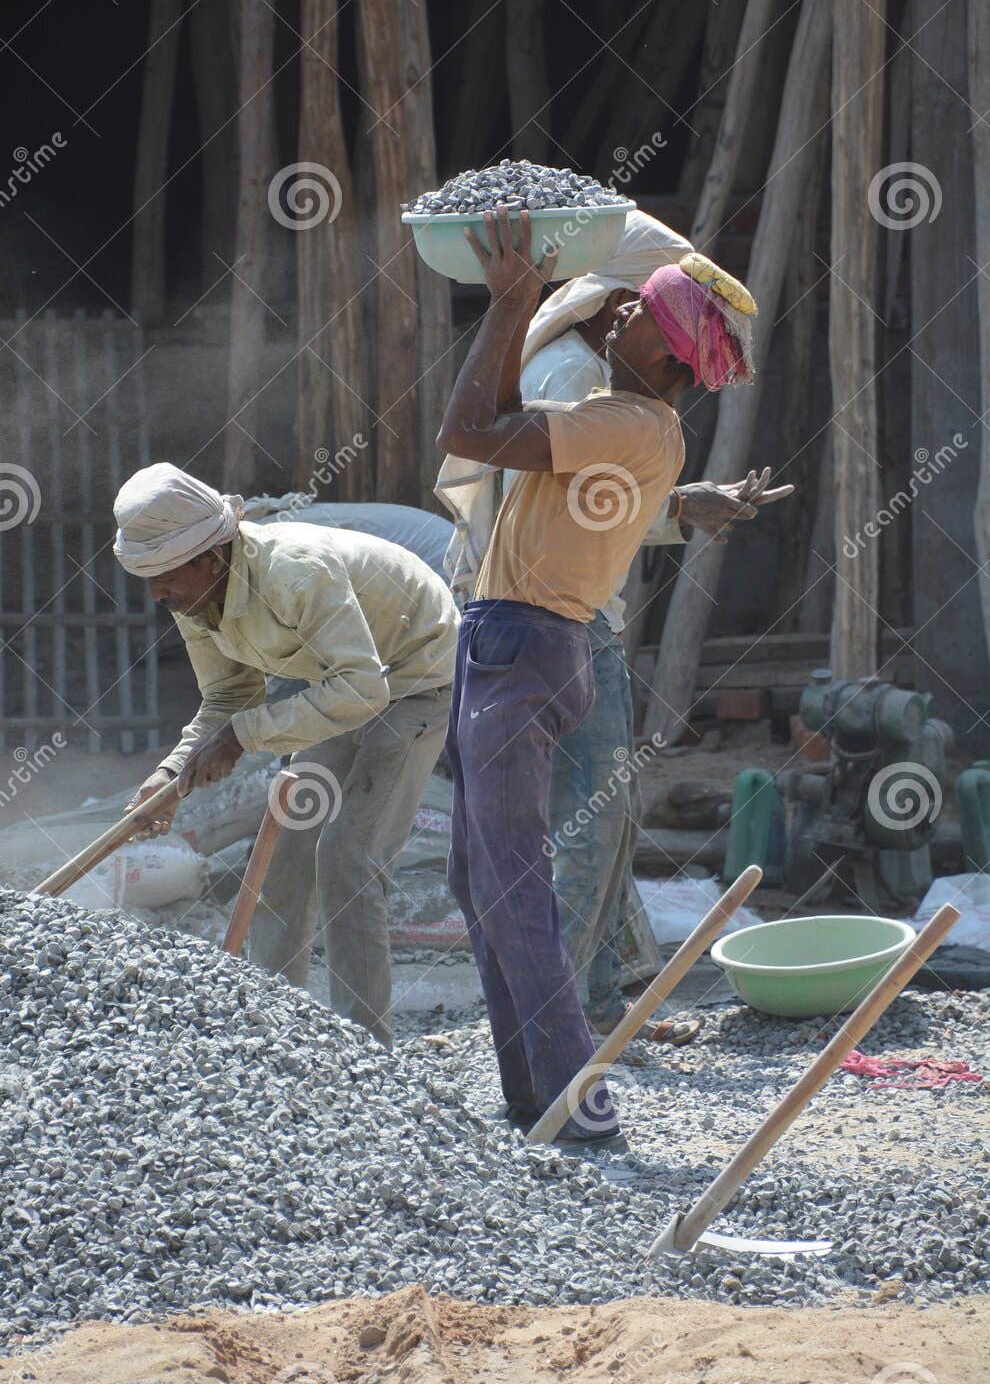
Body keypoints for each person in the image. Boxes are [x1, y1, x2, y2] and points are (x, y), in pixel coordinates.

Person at [436, 206, 759, 1153]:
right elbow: (494, 432)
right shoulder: (636, 427)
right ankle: (526, 1095)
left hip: (525, 649)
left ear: (666, 355)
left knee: (516, 885)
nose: (612, 319)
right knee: (475, 878)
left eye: (635, 319)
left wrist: (509, 304)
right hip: (514, 644)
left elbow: (469, 426)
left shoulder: (623, 419)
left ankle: (581, 1114)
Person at [113, 462, 459, 1048]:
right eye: (145, 577)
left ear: (210, 557)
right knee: (284, 849)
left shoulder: (296, 572)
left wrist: (245, 736)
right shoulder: (197, 601)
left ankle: (364, 1051)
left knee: (350, 857)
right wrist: (170, 774)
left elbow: (364, 692)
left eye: (164, 575)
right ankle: (280, 1032)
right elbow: (227, 697)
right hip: (341, 679)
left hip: (418, 676)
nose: (155, 594)